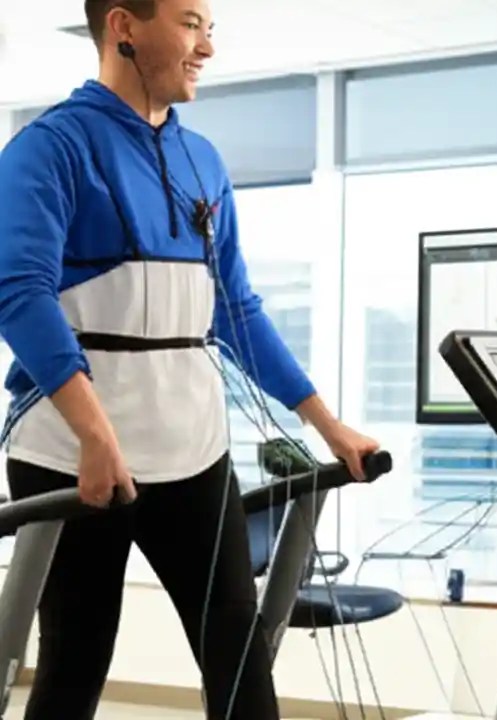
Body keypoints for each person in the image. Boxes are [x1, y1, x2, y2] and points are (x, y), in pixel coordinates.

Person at [0, 1, 380, 718]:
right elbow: (20, 295)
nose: (206, 45)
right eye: (189, 23)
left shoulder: (201, 157)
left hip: (191, 448)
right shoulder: (49, 147)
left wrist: (329, 426)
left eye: (210, 27)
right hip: (73, 452)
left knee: (236, 653)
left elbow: (235, 311)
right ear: (124, 26)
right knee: (76, 660)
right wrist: (95, 436)